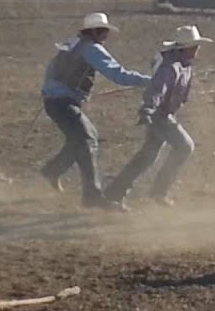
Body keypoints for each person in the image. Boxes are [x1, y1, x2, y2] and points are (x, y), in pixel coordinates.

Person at [40, 13, 150, 210]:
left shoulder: (73, 44)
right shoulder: (92, 49)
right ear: (96, 31)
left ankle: (53, 170)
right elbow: (119, 75)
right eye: (104, 31)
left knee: (84, 138)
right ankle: (92, 195)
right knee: (87, 139)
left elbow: (52, 68)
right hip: (63, 101)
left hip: (55, 100)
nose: (106, 35)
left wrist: (50, 90)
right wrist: (148, 81)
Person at [104, 25, 212, 208]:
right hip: (160, 115)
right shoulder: (170, 67)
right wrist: (148, 108)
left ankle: (115, 192)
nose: (197, 49)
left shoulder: (182, 65)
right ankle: (159, 191)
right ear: (185, 47)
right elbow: (157, 89)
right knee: (185, 146)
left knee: (147, 156)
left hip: (162, 114)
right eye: (195, 46)